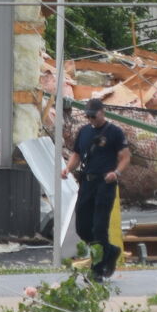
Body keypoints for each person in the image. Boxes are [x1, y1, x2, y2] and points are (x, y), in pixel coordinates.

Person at [62, 99, 131, 279]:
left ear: (102, 112)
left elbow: (125, 157)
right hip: (87, 182)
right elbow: (77, 154)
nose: (91, 119)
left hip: (105, 183)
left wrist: (116, 172)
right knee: (82, 227)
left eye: (93, 116)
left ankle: (97, 270)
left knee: (99, 228)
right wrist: (68, 168)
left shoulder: (114, 132)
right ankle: (110, 251)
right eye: (88, 116)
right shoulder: (84, 131)